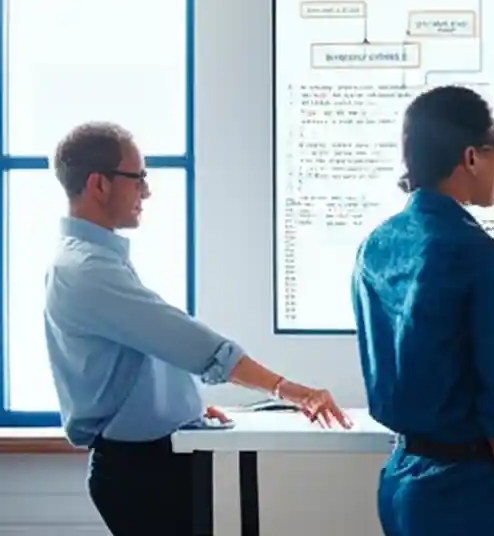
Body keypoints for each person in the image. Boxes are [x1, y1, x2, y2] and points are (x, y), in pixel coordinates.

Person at [43, 122, 349, 535]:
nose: (146, 192)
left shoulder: (93, 261)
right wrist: (292, 391)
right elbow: (191, 343)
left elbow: (137, 356)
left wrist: (183, 409)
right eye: (138, 178)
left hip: (150, 463)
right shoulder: (87, 270)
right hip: (138, 474)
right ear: (99, 184)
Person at [351, 86, 494, 536]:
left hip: (399, 476)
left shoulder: (376, 244)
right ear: (471, 157)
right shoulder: (479, 253)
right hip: (464, 487)